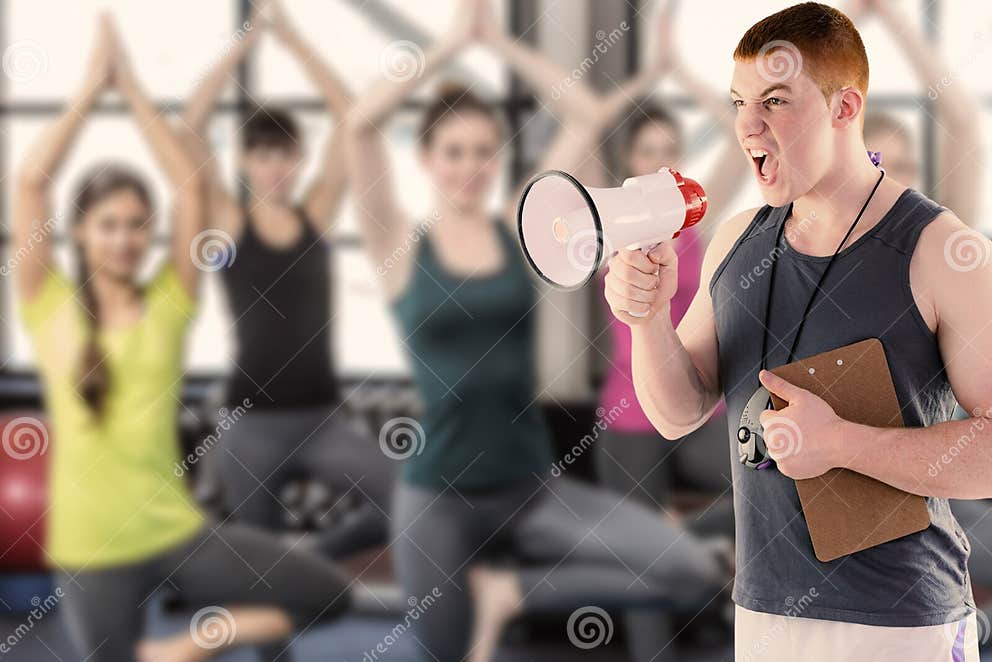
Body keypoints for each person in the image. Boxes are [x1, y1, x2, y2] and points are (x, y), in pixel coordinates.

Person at [345, 1, 733, 661]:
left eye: (483, 151)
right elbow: (358, 127)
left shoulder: (522, 228)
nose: (470, 165)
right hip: (437, 495)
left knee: (685, 569)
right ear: (427, 158)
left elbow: (585, 112)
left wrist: (496, 40)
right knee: (447, 651)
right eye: (454, 152)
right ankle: (490, 605)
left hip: (529, 485)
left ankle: (512, 594)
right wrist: (445, 47)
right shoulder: (398, 247)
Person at [604, 3, 989, 660]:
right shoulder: (736, 241)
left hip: (903, 624)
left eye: (776, 101)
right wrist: (648, 319)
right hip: (764, 616)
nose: (747, 126)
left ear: (845, 109)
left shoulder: (941, 250)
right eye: (738, 102)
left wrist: (841, 444)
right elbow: (678, 411)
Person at [13, 16, 350, 662]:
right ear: (80, 231)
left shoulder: (170, 301)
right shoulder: (47, 303)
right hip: (91, 546)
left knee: (327, 593)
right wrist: (90, 90)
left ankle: (184, 648)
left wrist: (133, 89)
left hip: (175, 532)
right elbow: (31, 183)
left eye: (138, 225)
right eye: (108, 224)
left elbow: (189, 184)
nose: (125, 238)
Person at [179, 0, 392, 559]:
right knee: (258, 566)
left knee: (405, 501)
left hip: (323, 418)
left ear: (298, 159)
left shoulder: (316, 214)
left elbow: (351, 117)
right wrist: (245, 43)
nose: (275, 168)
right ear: (246, 162)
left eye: (285, 156)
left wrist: (293, 41)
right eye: (263, 156)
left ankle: (312, 558)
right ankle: (277, 625)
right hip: (251, 425)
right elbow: (190, 125)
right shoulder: (229, 221)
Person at [843, 0, 984, 225]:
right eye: (874, 166)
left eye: (901, 166)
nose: (890, 181)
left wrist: (891, 13)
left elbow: (963, 121)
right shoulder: (812, 239)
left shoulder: (937, 233)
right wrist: (840, 25)